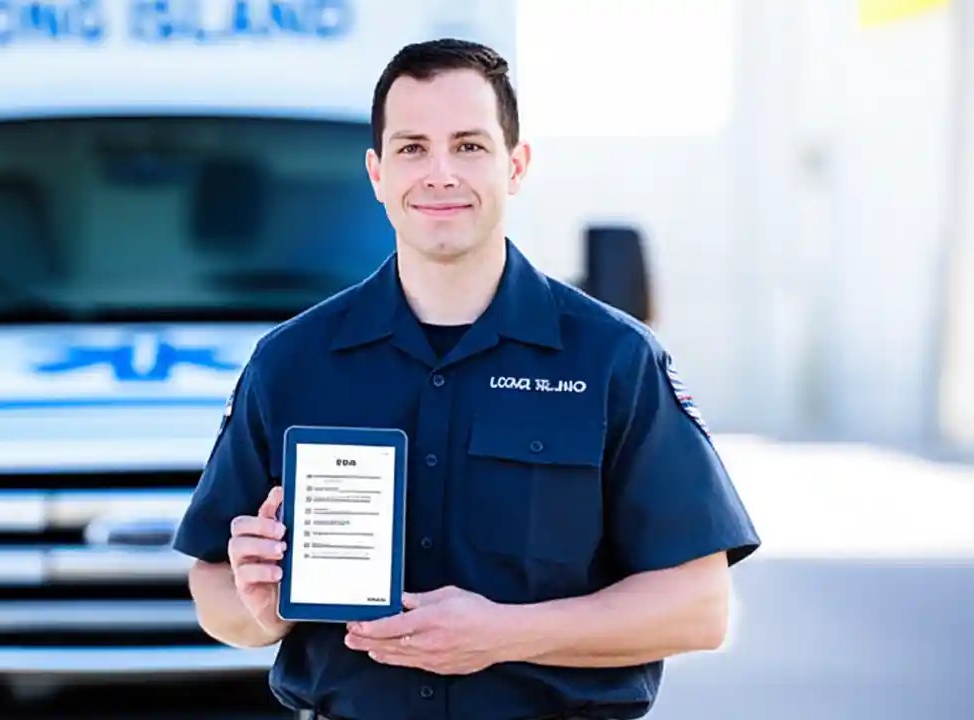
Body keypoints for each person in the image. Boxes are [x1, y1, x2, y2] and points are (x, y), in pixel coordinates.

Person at [172, 38, 761, 720]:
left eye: (470, 146)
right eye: (413, 147)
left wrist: (501, 635)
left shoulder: (613, 359)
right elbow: (215, 587)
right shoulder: (291, 362)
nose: (440, 172)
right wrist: (261, 609)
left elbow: (698, 608)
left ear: (517, 165)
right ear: (377, 172)